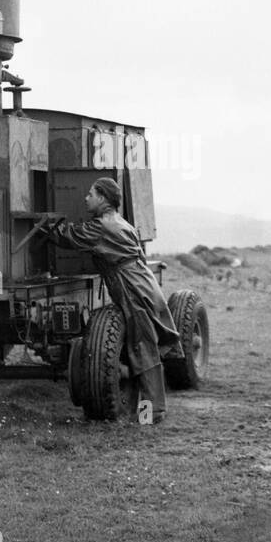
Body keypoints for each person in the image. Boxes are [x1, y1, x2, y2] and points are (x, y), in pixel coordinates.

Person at [41, 177, 179, 424]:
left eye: (91, 194)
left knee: (142, 346)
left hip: (131, 287)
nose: (86, 198)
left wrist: (44, 227)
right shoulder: (120, 222)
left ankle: (152, 414)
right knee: (141, 344)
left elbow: (70, 237)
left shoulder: (101, 227)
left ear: (103, 198)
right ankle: (146, 409)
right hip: (142, 282)